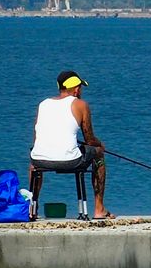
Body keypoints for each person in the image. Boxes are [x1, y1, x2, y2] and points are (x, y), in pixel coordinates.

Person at [29, 70, 114, 219]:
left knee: (34, 161)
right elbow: (89, 139)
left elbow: (37, 138)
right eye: (80, 87)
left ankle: (32, 209)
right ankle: (99, 209)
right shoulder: (81, 105)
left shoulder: (43, 104)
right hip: (70, 161)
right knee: (98, 154)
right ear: (76, 89)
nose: (81, 91)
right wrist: (100, 145)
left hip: (39, 160)